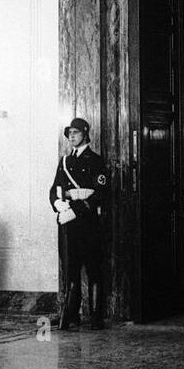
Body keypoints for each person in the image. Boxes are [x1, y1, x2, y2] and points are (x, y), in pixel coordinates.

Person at [49, 117, 108, 330]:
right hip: (68, 222)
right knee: (71, 269)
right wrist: (58, 204)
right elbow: (54, 188)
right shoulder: (65, 162)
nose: (71, 136)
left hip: (88, 222)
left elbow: (99, 194)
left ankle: (95, 317)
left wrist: (75, 210)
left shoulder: (96, 160)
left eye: (75, 132)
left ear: (85, 134)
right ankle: (71, 314)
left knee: (93, 268)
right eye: (69, 133)